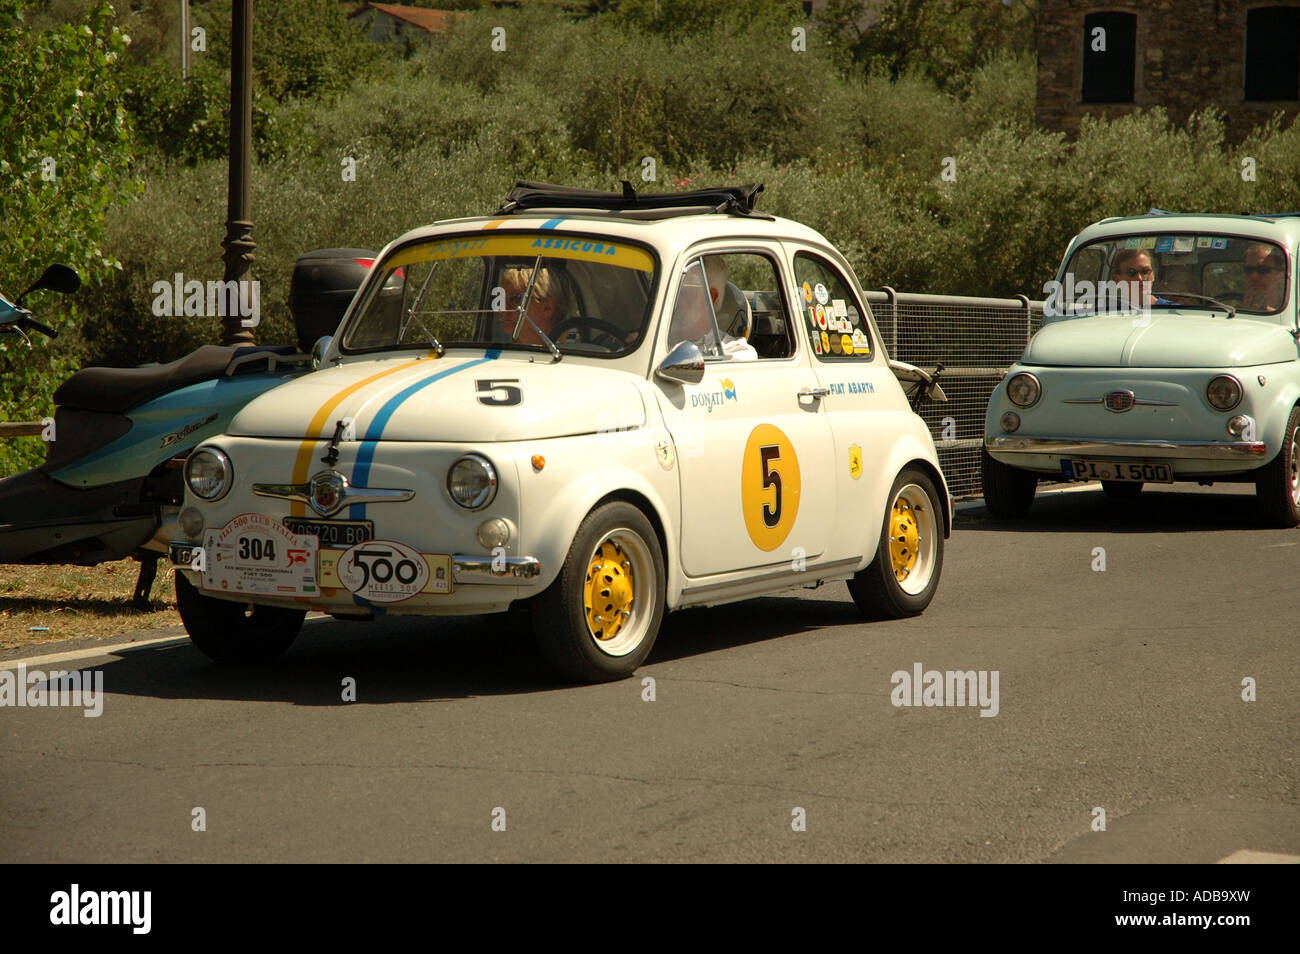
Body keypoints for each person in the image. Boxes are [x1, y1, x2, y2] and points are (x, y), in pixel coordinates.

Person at [668, 257, 757, 360]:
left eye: (683, 291)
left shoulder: (735, 352)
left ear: (710, 297)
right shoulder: (655, 338)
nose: (674, 299)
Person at [501, 266, 566, 346]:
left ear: (548, 308)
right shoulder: (496, 354)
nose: (503, 310)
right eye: (503, 299)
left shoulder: (572, 355)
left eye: (515, 298)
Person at [1242, 242, 1286, 312]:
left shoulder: (1291, 307)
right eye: (1249, 270)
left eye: (1263, 270)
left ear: (1279, 274)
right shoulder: (1231, 309)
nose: (1254, 275)